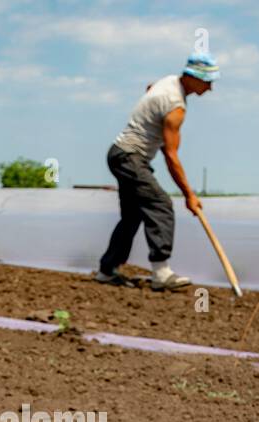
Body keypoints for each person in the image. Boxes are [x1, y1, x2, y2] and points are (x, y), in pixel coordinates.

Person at [94, 53, 219, 291]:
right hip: (130, 156)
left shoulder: (168, 81)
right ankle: (161, 273)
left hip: (120, 154)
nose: (210, 88)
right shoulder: (176, 107)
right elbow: (171, 156)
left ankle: (107, 269)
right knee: (160, 204)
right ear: (193, 78)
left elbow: (149, 88)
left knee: (132, 216)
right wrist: (189, 195)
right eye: (208, 81)